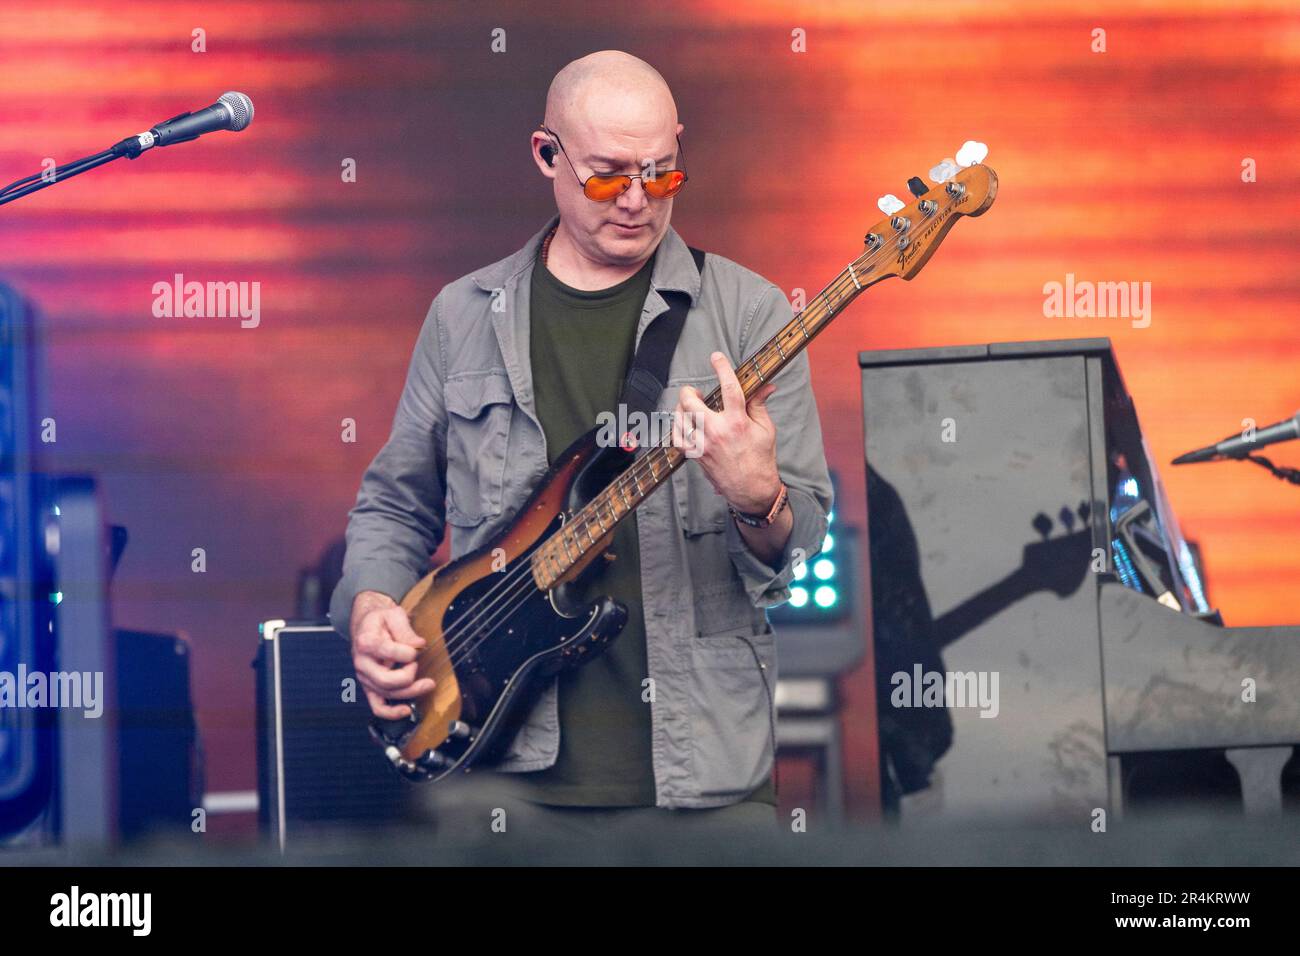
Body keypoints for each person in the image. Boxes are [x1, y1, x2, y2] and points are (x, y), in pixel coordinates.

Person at [329, 50, 832, 841]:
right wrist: (369, 609)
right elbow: (396, 505)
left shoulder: (750, 314)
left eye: (662, 173)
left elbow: (797, 543)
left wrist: (757, 496)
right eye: (608, 174)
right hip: (502, 779)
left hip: (704, 785)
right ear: (546, 155)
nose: (637, 200)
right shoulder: (463, 316)